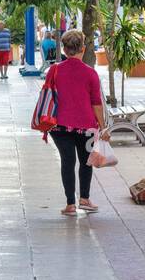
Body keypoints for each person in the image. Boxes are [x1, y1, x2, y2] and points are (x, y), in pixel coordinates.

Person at [46, 30, 109, 217]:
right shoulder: (90, 73)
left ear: (64, 50)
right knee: (85, 161)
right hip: (86, 126)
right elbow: (96, 103)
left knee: (67, 161)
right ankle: (85, 199)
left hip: (59, 126)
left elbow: (48, 94)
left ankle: (70, 204)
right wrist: (103, 126)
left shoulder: (55, 70)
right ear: (82, 49)